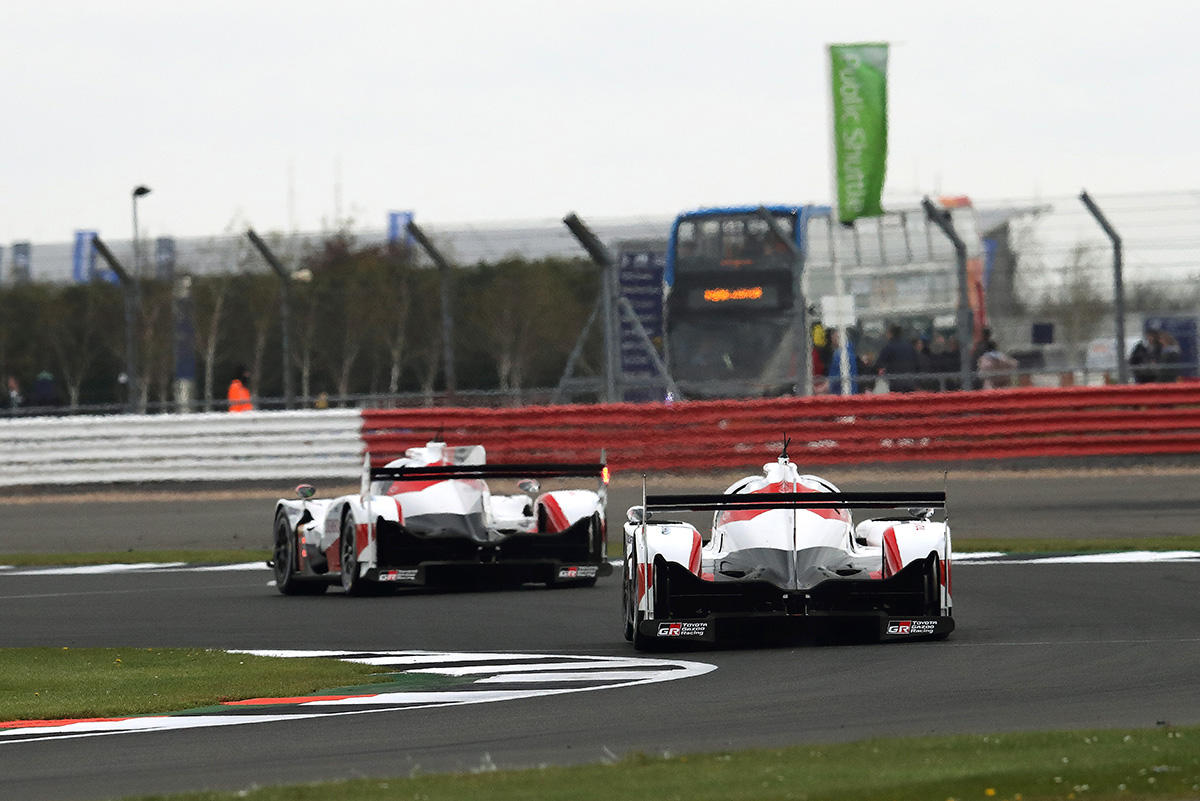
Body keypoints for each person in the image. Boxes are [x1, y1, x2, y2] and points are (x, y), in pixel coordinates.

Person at [872, 325, 921, 392]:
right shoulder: (910, 347)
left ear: (890, 334)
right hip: (911, 383)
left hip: (896, 384)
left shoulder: (889, 347)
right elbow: (918, 364)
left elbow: (878, 364)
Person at [826, 328, 858, 395]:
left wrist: (823, 387)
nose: (831, 340)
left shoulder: (839, 353)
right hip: (852, 393)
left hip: (840, 395)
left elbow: (838, 378)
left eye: (832, 336)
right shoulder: (851, 351)